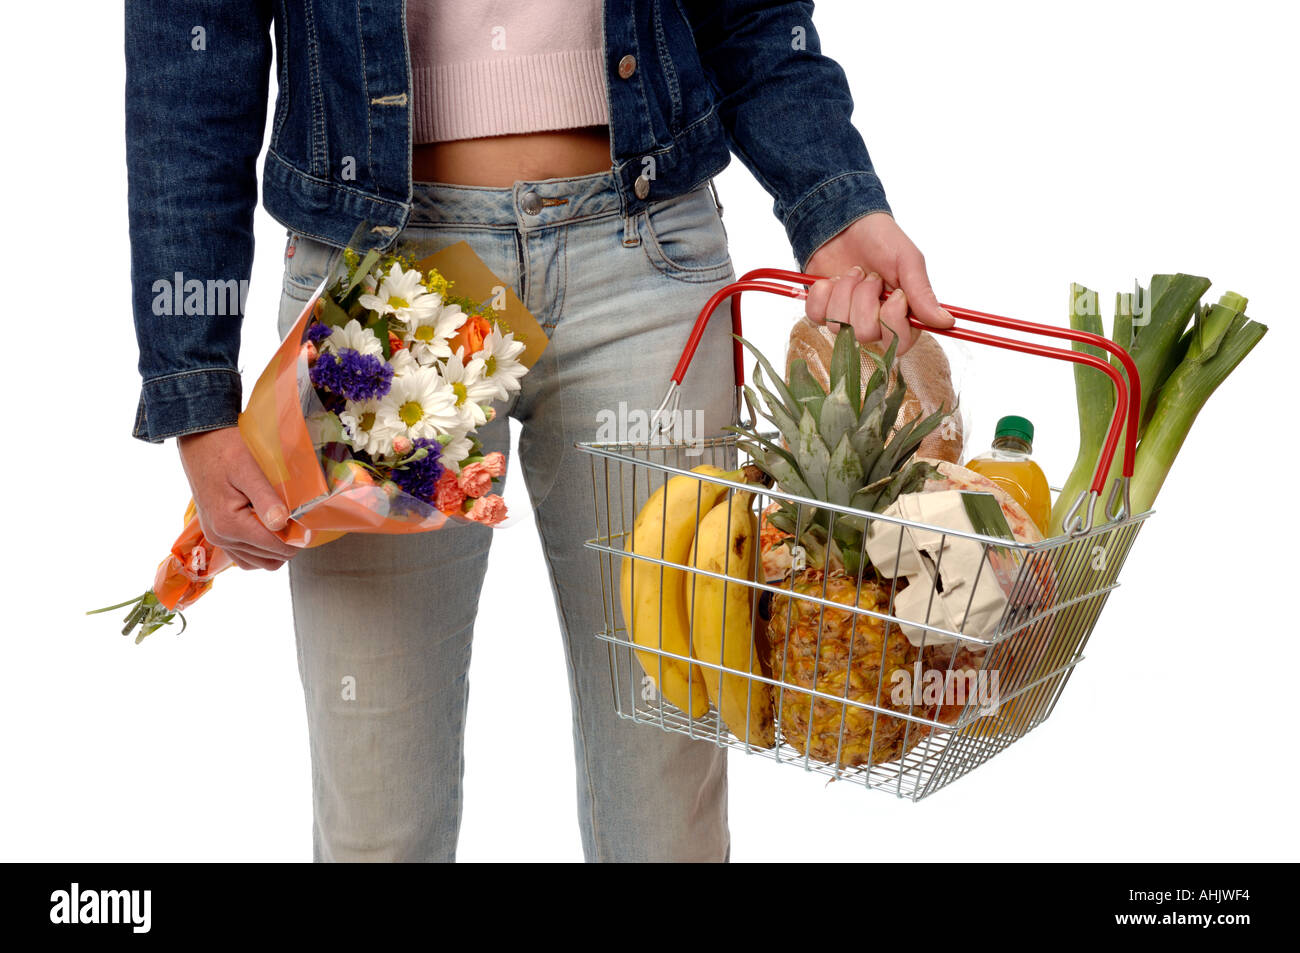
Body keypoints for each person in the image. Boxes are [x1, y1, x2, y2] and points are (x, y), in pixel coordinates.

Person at [125, 0, 953, 862]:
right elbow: (189, 44)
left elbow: (750, 14)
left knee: (665, 816)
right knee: (376, 824)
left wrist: (833, 199)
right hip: (381, 282)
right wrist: (193, 387)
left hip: (644, 251)